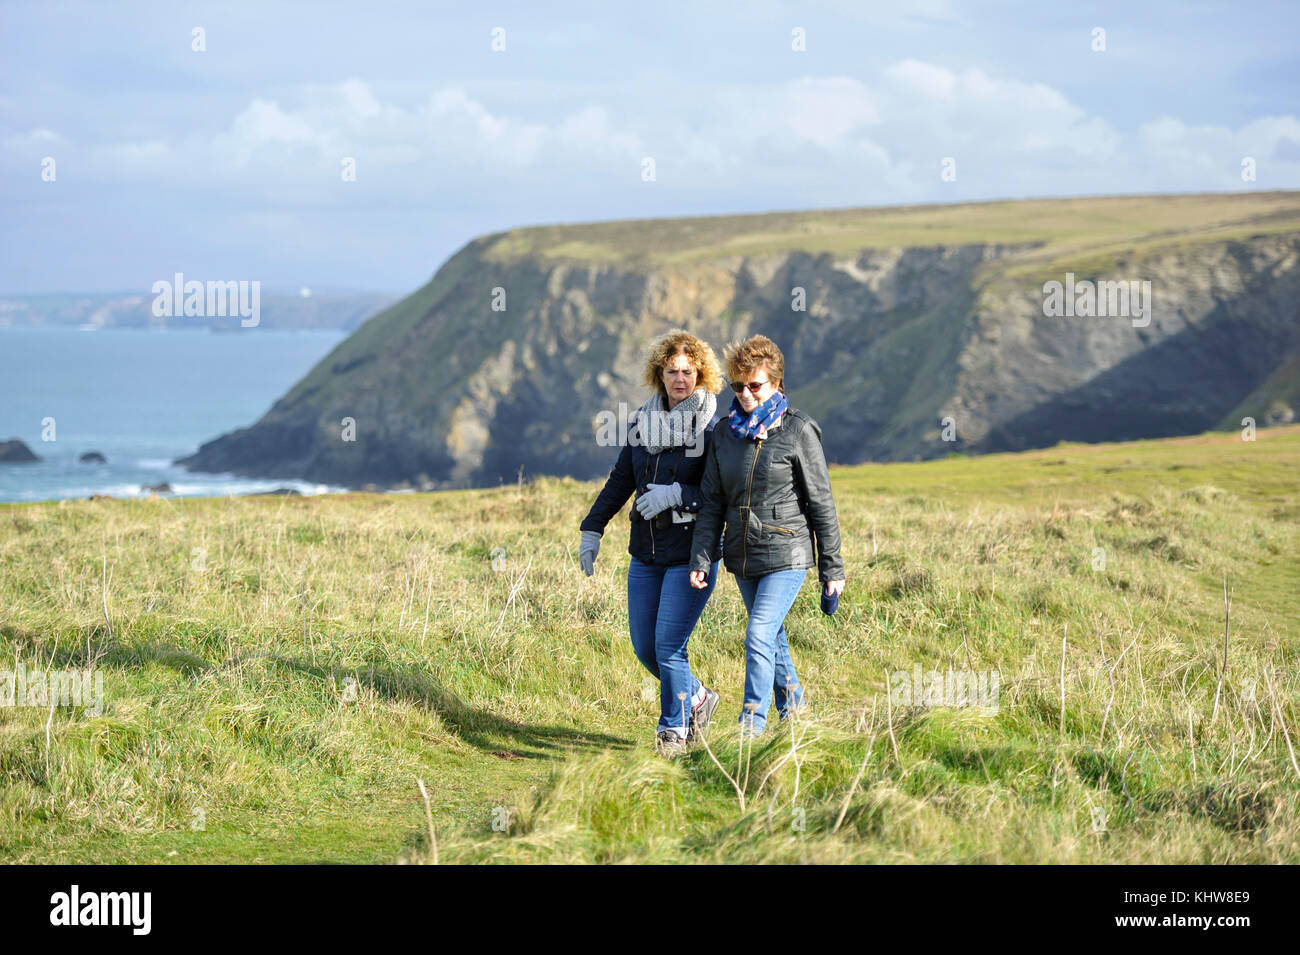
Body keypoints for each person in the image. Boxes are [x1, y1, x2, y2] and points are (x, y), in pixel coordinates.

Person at [688, 334, 845, 736]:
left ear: (776, 383)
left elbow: (821, 504)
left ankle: (750, 728)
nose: (744, 394)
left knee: (757, 632)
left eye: (754, 385)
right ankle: (795, 714)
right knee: (771, 637)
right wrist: (702, 557)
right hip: (743, 555)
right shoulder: (723, 434)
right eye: (738, 386)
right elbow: (711, 504)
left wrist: (832, 569)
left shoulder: (798, 431)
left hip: (788, 552)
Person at [579, 330, 726, 756]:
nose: (680, 379)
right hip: (645, 554)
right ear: (658, 375)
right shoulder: (642, 424)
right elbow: (620, 480)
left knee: (668, 647)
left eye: (687, 371)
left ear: (700, 373)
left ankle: (672, 733)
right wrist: (593, 527)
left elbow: (720, 495)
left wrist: (680, 494)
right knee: (645, 647)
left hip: (691, 555)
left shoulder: (713, 429)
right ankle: (699, 698)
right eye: (671, 371)